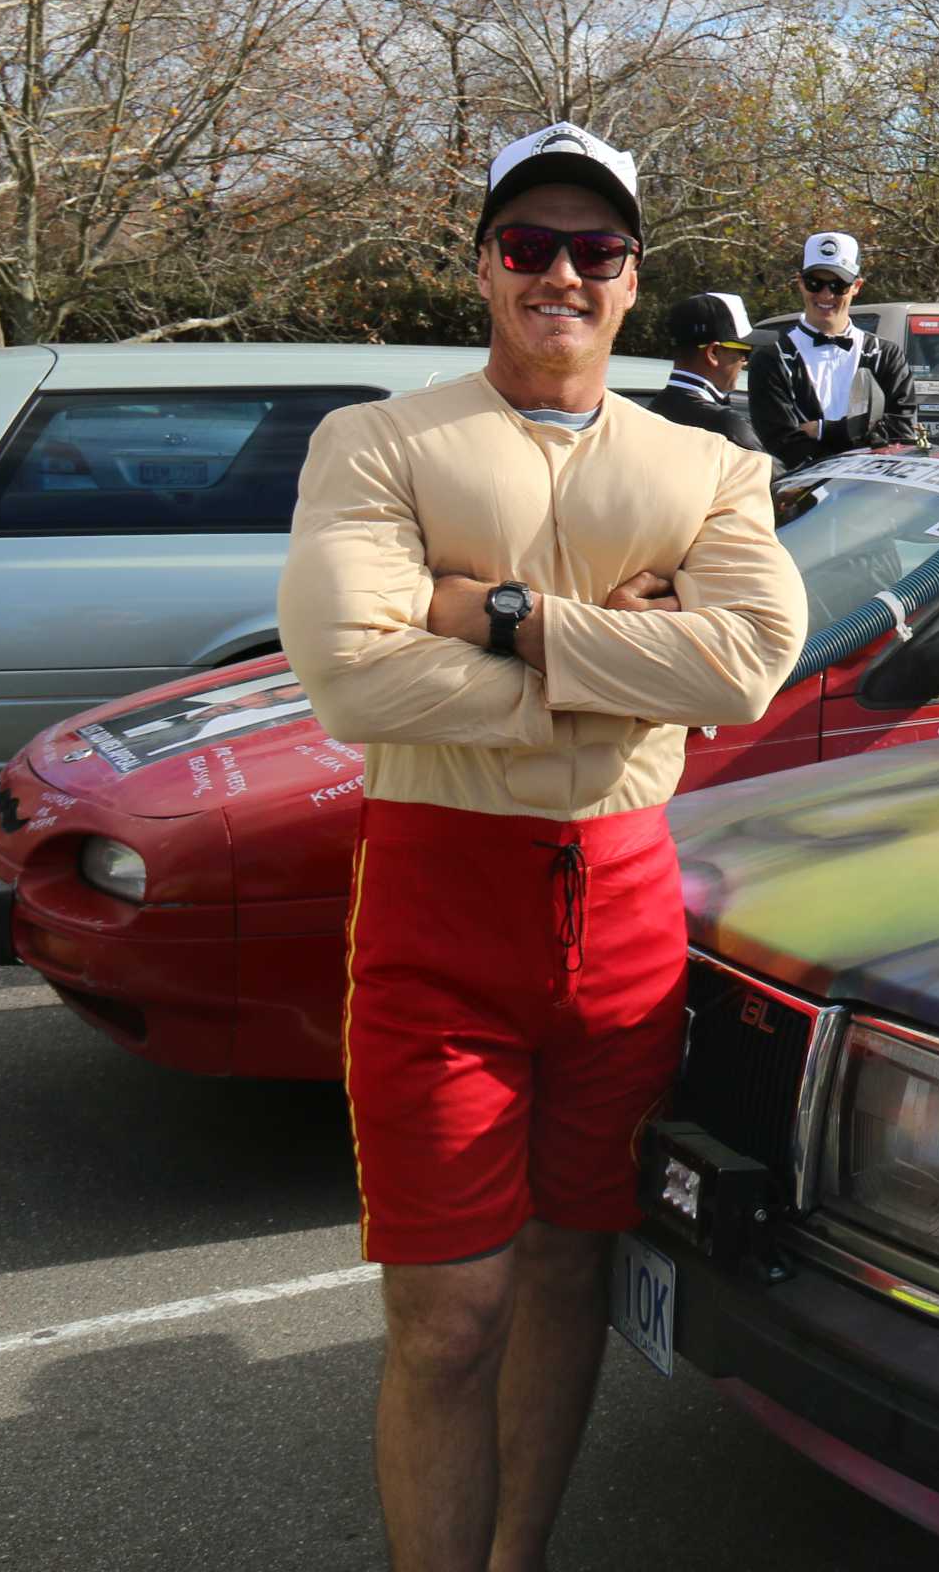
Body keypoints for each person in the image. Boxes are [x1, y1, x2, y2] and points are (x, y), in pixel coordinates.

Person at [276, 120, 806, 1572]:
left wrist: (491, 615)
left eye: (595, 249)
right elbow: (349, 678)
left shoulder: (705, 462)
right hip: (439, 910)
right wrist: (625, 670)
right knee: (447, 1318)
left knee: (571, 1267)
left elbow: (750, 666)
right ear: (484, 267)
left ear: (634, 278)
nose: (560, 273)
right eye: (528, 246)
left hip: (628, 918)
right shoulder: (379, 442)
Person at [744, 230, 916, 468]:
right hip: (806, 497)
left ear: (856, 286)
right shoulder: (772, 359)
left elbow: (902, 431)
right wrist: (861, 435)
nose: (826, 295)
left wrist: (825, 430)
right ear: (801, 283)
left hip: (875, 491)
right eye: (815, 283)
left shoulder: (885, 355)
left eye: (838, 285)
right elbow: (780, 442)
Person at [648, 291, 762, 450]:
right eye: (744, 352)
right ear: (713, 353)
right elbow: (780, 474)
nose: (744, 362)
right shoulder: (726, 426)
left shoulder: (652, 411)